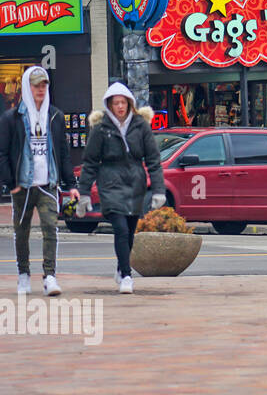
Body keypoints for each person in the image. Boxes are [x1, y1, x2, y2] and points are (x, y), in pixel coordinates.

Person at [76, 82, 165, 294]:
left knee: (131, 231)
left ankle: (120, 265)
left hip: (135, 183)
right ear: (109, 105)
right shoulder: (101, 129)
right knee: (121, 229)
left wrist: (159, 189)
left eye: (123, 102)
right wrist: (85, 193)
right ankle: (127, 275)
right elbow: (90, 162)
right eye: (116, 103)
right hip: (110, 183)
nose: (120, 107)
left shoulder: (140, 126)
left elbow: (153, 158)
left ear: (130, 103)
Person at [0, 66, 79, 295]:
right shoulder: (11, 118)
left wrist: (71, 185)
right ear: (27, 86)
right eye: (36, 85)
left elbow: (63, 153)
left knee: (50, 229)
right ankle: (23, 274)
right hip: (22, 186)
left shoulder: (55, 116)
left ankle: (50, 276)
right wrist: (10, 182)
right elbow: (2, 153)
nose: (40, 89)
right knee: (21, 231)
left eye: (44, 85)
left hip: (47, 184)